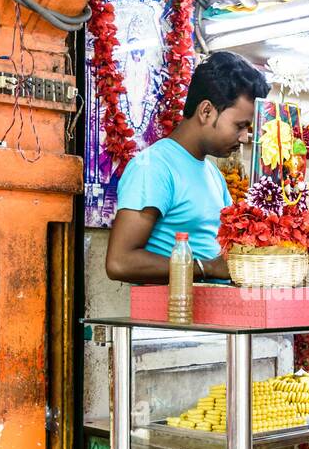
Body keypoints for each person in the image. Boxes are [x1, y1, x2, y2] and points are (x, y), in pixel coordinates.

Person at [105, 50, 269, 284]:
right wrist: (208, 268)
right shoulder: (153, 167)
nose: (244, 137)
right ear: (206, 111)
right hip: (170, 317)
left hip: (211, 315)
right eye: (239, 126)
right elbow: (120, 262)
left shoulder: (213, 174)